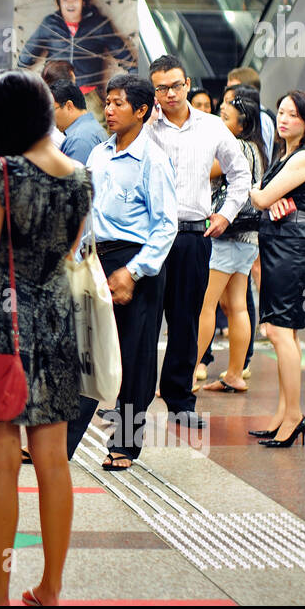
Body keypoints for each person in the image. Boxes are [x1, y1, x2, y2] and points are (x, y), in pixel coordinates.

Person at [0, 72, 92, 606]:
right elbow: (70, 248)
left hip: (4, 323)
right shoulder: (80, 174)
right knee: (53, 460)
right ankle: (52, 587)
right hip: (58, 320)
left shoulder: (1, 174)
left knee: (0, 464)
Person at [147, 55, 252, 430]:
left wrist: (225, 214)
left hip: (192, 235)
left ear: (187, 83)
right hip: (149, 236)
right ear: (153, 91)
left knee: (186, 319)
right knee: (144, 320)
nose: (170, 93)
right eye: (161, 87)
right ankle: (137, 397)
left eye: (175, 85)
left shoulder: (211, 127)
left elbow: (241, 173)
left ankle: (179, 398)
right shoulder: (145, 127)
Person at [78, 75, 178, 469]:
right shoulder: (99, 154)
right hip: (96, 258)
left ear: (141, 111)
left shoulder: (153, 160)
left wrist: (132, 273)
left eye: (119, 103)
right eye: (107, 103)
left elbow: (165, 225)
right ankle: (60, 438)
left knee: (136, 360)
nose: (109, 110)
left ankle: (126, 445)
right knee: (84, 350)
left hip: (137, 262)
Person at [248, 90, 305, 447]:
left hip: (291, 250)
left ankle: (294, 415)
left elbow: (263, 198)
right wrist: (270, 197)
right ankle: (284, 413)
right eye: (280, 112)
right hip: (280, 244)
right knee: (285, 333)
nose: (283, 119)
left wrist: (256, 189)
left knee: (281, 333)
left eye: (292, 115)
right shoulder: (289, 154)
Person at [195, 95, 267, 393]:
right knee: (237, 305)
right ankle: (235, 373)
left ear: (241, 125)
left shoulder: (234, 148)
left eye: (225, 119)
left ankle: (185, 376)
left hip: (226, 234)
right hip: (248, 237)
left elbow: (202, 170)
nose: (219, 124)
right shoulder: (256, 150)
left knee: (205, 305)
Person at [18, 0, 133, 92]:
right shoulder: (50, 24)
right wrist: (19, 71)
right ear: (59, 3)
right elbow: (29, 53)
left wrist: (133, 71)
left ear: (83, 2)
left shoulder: (99, 24)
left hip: (88, 91)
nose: (70, 3)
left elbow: (121, 52)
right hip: (55, 90)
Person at [51, 79, 107, 164]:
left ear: (69, 106)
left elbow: (74, 177)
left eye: (52, 110)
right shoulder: (91, 127)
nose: (50, 117)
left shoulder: (78, 139)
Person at [226, 68, 275, 161]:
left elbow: (262, 158)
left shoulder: (262, 118)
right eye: (228, 88)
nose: (230, 92)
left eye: (235, 88)